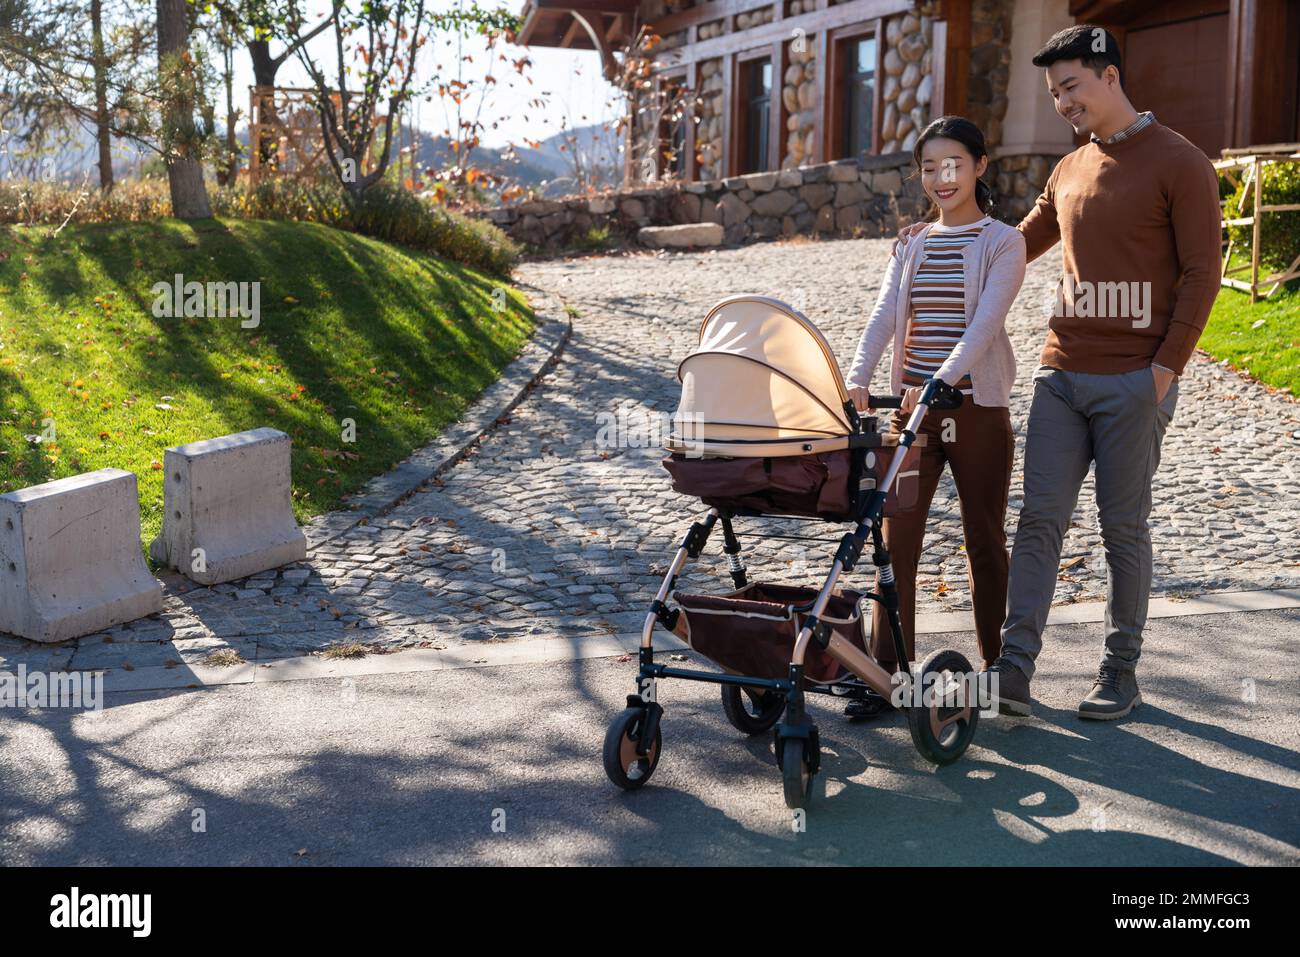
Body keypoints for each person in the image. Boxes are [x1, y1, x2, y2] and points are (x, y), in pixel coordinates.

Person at [898, 25, 1222, 719]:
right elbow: (1011, 245)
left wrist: (1163, 372)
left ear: (1109, 76)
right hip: (1060, 374)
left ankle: (1119, 670)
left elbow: (1203, 274)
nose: (1063, 103)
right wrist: (938, 238)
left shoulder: (1180, 162)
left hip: (1136, 380)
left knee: (1121, 526)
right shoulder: (1069, 169)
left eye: (1071, 86)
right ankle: (1014, 670)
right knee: (1039, 519)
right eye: (1053, 93)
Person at [842, 115, 1026, 718]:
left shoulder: (1003, 241)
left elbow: (984, 325)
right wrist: (859, 375)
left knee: (984, 541)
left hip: (973, 410)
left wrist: (942, 381)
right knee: (894, 542)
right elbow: (883, 315)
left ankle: (999, 670)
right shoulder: (912, 242)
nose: (941, 178)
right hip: (910, 413)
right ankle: (884, 673)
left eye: (953, 165)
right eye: (928, 167)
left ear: (978, 167)